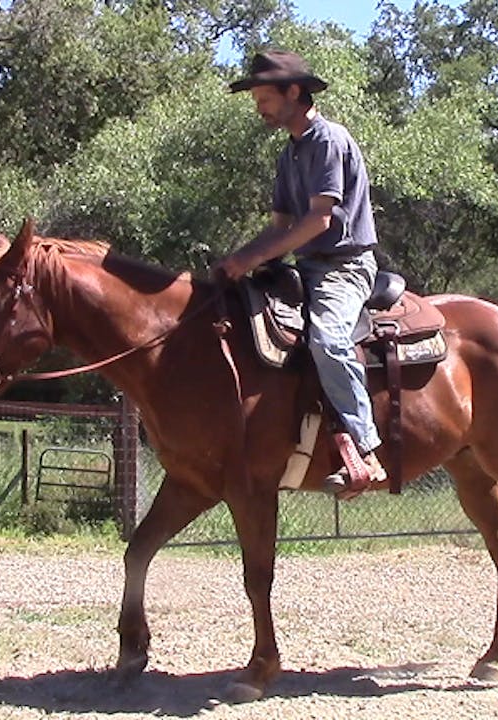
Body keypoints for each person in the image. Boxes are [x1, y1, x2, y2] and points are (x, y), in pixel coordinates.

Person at [212, 49, 386, 494]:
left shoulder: (329, 140)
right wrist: (242, 262)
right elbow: (280, 228)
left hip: (343, 267)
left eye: (264, 97)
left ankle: (366, 447)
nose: (259, 107)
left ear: (294, 92)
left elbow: (318, 221)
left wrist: (250, 259)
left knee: (329, 340)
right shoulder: (289, 156)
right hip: (306, 266)